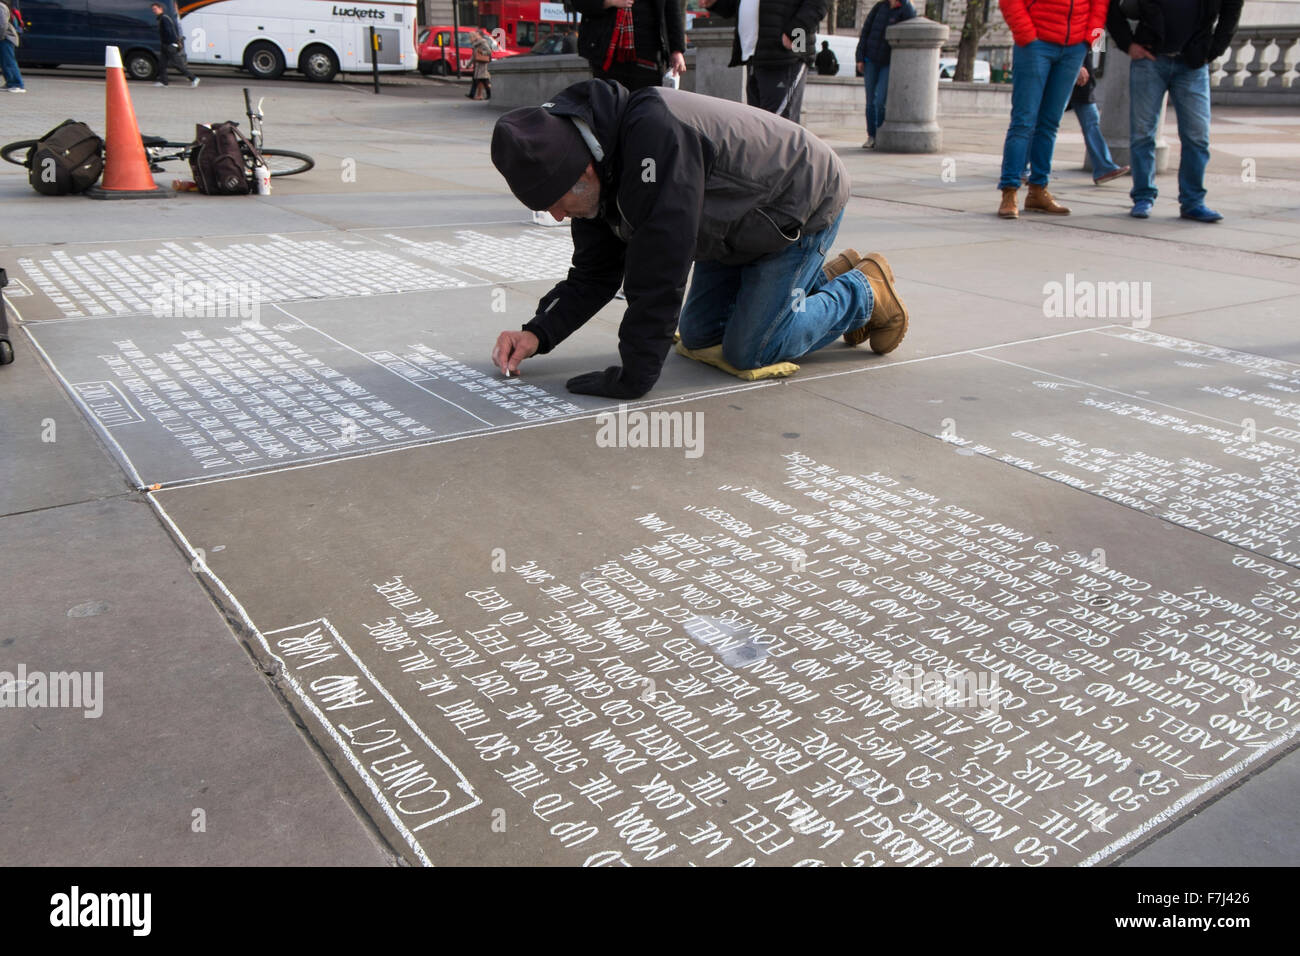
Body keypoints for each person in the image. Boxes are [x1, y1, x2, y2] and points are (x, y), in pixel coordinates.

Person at [488, 80, 911, 399]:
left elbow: (660, 274)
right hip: (733, 226)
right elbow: (594, 275)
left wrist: (634, 376)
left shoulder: (655, 143)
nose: (558, 216)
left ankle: (864, 291)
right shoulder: (591, 158)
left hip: (798, 206)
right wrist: (537, 333)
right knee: (699, 336)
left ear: (583, 173)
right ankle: (815, 281)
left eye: (557, 203)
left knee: (751, 349)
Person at [1107, 0, 1242, 222]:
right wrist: (1126, 43)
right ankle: (1143, 197)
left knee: (1197, 137)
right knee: (1142, 134)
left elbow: (1233, 8)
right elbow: (1109, 5)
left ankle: (1193, 202)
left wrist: (1214, 49)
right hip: (1150, 59)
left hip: (1193, 65)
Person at [996, 0, 1108, 219]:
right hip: (1035, 43)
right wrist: (1026, 35)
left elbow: (1101, 5)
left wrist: (1090, 39)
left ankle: (1038, 190)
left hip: (1075, 47)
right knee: (1024, 121)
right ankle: (1009, 191)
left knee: (1050, 123)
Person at [699, 0, 827, 123]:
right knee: (760, 126)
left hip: (785, 57)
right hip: (755, 56)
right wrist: (716, 3)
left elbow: (818, 3)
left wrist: (794, 32)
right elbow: (736, 5)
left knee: (777, 126)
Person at [570, 0, 686, 92]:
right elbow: (579, 2)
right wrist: (610, 2)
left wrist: (677, 50)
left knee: (647, 108)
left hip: (649, 53)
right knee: (610, 110)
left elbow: (672, 9)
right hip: (607, 54)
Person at [855, 0, 916, 148]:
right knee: (870, 101)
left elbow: (912, 29)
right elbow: (866, 32)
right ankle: (871, 136)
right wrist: (860, 57)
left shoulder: (906, 9)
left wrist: (906, 5)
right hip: (871, 60)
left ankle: (881, 134)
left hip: (888, 62)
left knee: (880, 101)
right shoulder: (879, 7)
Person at [151, 2, 199, 88]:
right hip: (165, 45)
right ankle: (164, 82)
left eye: (155, 9)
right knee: (162, 64)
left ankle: (194, 78)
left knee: (177, 65)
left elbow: (170, 32)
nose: (154, 11)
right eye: (153, 10)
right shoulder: (160, 18)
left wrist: (173, 44)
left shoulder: (164, 19)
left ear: (160, 8)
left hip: (169, 46)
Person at [0, 1, 25, 93]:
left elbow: (2, 25)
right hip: (4, 37)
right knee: (4, 62)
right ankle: (10, 83)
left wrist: (0, 37)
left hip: (5, 38)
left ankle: (17, 84)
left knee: (8, 61)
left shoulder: (1, 7)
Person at [467, 30, 493, 100]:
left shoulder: (483, 43)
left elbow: (489, 51)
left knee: (483, 81)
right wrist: (469, 64)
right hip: (478, 64)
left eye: (477, 35)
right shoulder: (476, 44)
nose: (476, 36)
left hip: (483, 64)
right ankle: (472, 94)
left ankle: (489, 95)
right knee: (477, 80)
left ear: (480, 36)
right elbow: (474, 56)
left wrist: (482, 52)